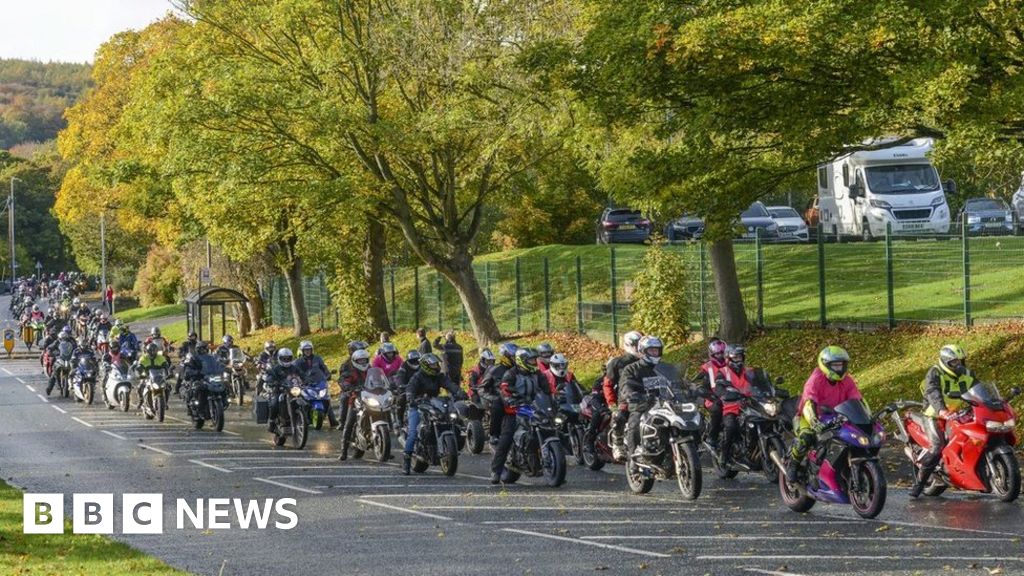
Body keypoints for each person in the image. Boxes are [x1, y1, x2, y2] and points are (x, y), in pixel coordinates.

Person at [785, 346, 864, 482]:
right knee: (806, 437)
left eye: (841, 365)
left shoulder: (847, 380)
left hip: (837, 417)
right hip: (808, 416)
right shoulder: (815, 380)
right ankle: (793, 464)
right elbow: (809, 402)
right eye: (835, 365)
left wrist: (866, 417)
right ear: (825, 364)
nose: (839, 368)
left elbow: (857, 399)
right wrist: (815, 422)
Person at [910, 344, 975, 498]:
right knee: (937, 446)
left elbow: (978, 388)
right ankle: (918, 485)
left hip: (956, 414)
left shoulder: (966, 373)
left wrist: (991, 402)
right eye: (954, 362)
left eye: (960, 361)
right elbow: (932, 391)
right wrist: (941, 410)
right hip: (934, 415)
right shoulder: (935, 372)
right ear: (945, 362)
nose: (958, 365)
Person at [490, 348, 556, 483]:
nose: (534, 362)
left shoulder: (538, 374)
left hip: (534, 407)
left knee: (550, 428)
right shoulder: (511, 374)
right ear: (522, 361)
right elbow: (505, 389)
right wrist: (511, 400)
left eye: (534, 360)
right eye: (531, 360)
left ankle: (551, 464)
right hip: (515, 409)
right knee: (507, 438)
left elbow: (547, 390)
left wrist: (555, 399)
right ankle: (496, 471)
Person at [402, 353, 465, 474]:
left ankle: (452, 446)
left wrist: (459, 392)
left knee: (454, 421)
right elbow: (410, 388)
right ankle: (407, 460)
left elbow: (450, 385)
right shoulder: (417, 377)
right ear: (426, 365)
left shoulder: (439, 376)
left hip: (434, 403)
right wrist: (410, 397)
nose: (437, 366)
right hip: (418, 405)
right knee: (413, 432)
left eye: (437, 364)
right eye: (434, 364)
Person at [619, 336, 664, 457]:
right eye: (651, 350)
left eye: (657, 350)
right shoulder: (632, 369)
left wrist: (689, 388)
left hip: (664, 404)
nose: (655, 353)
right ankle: (633, 456)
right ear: (643, 351)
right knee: (635, 422)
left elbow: (677, 381)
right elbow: (625, 385)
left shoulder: (663, 368)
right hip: (641, 404)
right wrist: (631, 393)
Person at [601, 330, 643, 460]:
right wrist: (612, 404)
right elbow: (607, 384)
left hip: (648, 399)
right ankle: (617, 444)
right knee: (618, 417)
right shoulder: (617, 362)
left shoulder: (649, 361)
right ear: (630, 344)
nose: (640, 348)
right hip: (626, 400)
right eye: (638, 344)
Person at [714, 345, 755, 467]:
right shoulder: (723, 372)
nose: (739, 360)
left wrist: (771, 390)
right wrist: (725, 394)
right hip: (731, 406)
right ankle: (724, 455)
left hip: (750, 405)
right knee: (731, 426)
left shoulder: (750, 372)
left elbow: (759, 383)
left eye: (740, 357)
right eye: (735, 357)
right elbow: (718, 388)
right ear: (728, 358)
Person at [694, 338, 729, 452]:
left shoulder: (731, 365)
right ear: (712, 354)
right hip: (711, 398)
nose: (720, 356)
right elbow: (698, 384)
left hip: (730, 397)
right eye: (717, 354)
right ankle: (712, 437)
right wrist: (710, 396)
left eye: (722, 353)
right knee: (717, 409)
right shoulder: (707, 368)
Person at [480, 342, 518, 445]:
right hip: (498, 399)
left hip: (516, 398)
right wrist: (492, 397)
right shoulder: (494, 369)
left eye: (516, 356)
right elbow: (482, 389)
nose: (515, 358)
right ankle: (494, 434)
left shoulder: (519, 370)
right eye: (513, 356)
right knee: (497, 405)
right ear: (505, 356)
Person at [296, 340, 339, 429]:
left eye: (309, 349)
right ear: (302, 351)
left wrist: (328, 374)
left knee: (325, 398)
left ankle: (333, 420)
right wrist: (299, 379)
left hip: (318, 382)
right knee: (299, 399)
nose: (308, 351)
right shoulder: (298, 362)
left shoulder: (317, 358)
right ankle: (301, 418)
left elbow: (323, 368)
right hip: (305, 384)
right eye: (306, 350)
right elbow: (295, 372)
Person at [338, 349, 371, 460]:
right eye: (360, 360)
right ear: (355, 361)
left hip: (371, 399)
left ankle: (384, 447)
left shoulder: (371, 369)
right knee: (349, 423)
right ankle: (343, 451)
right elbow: (343, 380)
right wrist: (348, 387)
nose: (362, 363)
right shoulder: (351, 372)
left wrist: (388, 385)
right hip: (356, 400)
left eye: (364, 360)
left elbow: (380, 378)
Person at [265, 348, 303, 433]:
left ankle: (304, 418)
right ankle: (271, 422)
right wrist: (272, 381)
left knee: (305, 399)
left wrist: (308, 380)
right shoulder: (276, 368)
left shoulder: (294, 368)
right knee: (274, 403)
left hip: (293, 389)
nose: (286, 360)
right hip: (279, 390)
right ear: (279, 358)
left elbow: (302, 375)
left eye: (288, 358)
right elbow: (269, 376)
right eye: (284, 358)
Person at [392, 350, 422, 434]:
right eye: (413, 360)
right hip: (407, 388)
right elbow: (399, 377)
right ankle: (399, 420)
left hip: (419, 389)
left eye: (417, 360)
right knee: (402, 398)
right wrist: (401, 385)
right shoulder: (404, 366)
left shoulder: (422, 366)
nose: (415, 362)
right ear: (408, 360)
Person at [135, 342, 171, 408]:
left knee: (168, 387)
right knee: (140, 387)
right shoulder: (143, 358)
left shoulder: (160, 357)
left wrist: (168, 372)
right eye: (150, 351)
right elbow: (139, 367)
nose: (152, 353)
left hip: (158, 377)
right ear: (147, 351)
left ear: (156, 351)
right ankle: (141, 400)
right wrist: (139, 373)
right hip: (147, 377)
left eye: (154, 351)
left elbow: (166, 366)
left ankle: (165, 402)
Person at [45, 327, 77, 394]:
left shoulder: (71, 340)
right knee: (54, 373)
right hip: (60, 358)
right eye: (62, 338)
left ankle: (77, 387)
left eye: (65, 338)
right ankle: (49, 388)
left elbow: (76, 347)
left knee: (76, 370)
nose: (64, 339)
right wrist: (50, 351)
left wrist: (77, 353)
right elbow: (51, 347)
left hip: (69, 357)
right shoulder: (57, 341)